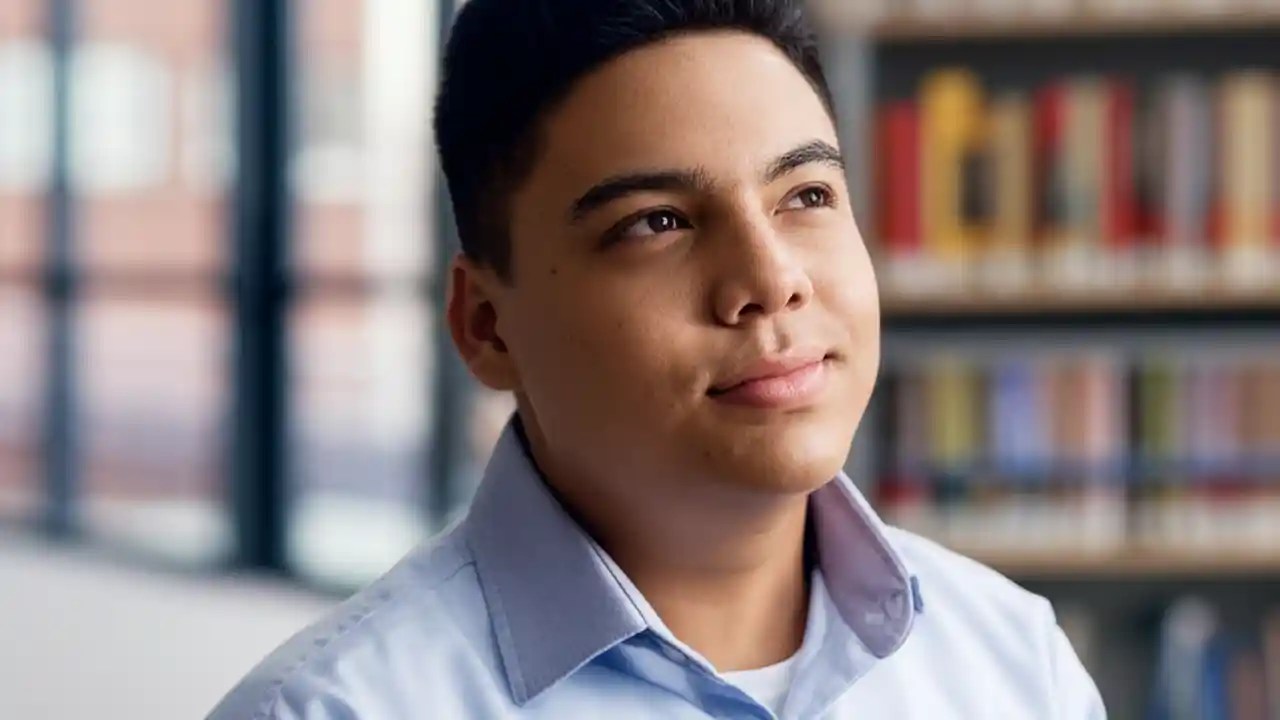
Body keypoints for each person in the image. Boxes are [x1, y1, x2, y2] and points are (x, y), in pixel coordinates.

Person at [209, 0, 1107, 717]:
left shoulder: (1012, 664)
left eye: (806, 194)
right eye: (657, 223)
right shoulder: (336, 708)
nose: (769, 280)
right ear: (486, 325)